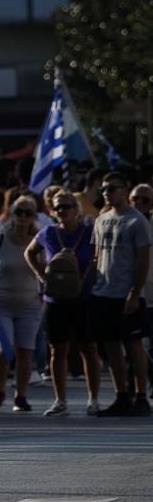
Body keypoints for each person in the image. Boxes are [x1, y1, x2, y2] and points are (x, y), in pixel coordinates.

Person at [26, 193, 101, 417]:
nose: (61, 211)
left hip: (83, 298)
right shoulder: (48, 233)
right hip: (55, 300)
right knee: (57, 350)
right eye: (57, 207)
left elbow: (100, 255)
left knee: (89, 349)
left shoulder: (89, 232)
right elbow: (29, 252)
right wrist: (40, 275)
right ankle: (60, 400)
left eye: (66, 206)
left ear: (76, 209)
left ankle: (93, 399)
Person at [86, 175, 151, 416]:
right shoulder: (101, 220)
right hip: (102, 292)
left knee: (134, 345)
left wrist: (134, 292)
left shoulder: (137, 221)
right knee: (111, 345)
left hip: (127, 292)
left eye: (111, 188)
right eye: (103, 188)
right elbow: (97, 257)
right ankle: (121, 395)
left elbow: (143, 260)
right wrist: (87, 283)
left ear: (125, 191)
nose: (106, 192)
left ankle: (141, 396)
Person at [0, 195, 44, 412]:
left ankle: (20, 396)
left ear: (33, 216)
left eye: (28, 213)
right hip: (1, 303)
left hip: (30, 305)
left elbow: (45, 271)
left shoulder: (38, 242)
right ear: (11, 214)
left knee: (25, 352)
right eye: (19, 212)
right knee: (2, 351)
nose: (23, 217)